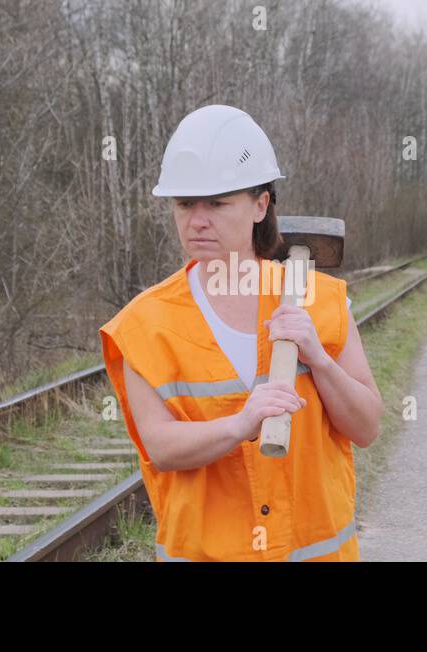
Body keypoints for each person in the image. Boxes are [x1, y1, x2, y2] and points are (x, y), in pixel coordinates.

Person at [99, 104, 383, 561]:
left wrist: (321, 360)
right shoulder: (144, 324)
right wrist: (240, 425)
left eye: (217, 203)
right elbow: (161, 448)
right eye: (185, 204)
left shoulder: (320, 301)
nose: (197, 220)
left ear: (260, 204)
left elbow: (367, 426)